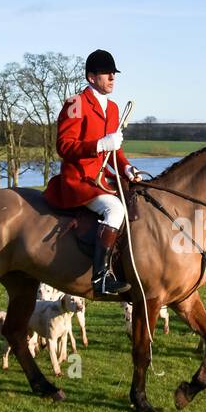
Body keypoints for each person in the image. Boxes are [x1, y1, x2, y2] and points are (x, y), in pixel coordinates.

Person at [44, 49, 142, 296]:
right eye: (106, 73)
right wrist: (99, 144)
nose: (112, 77)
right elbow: (64, 146)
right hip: (78, 180)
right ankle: (100, 278)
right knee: (115, 209)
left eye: (113, 73)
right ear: (91, 77)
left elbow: (114, 150)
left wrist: (127, 167)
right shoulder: (75, 104)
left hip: (101, 179)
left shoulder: (113, 108)